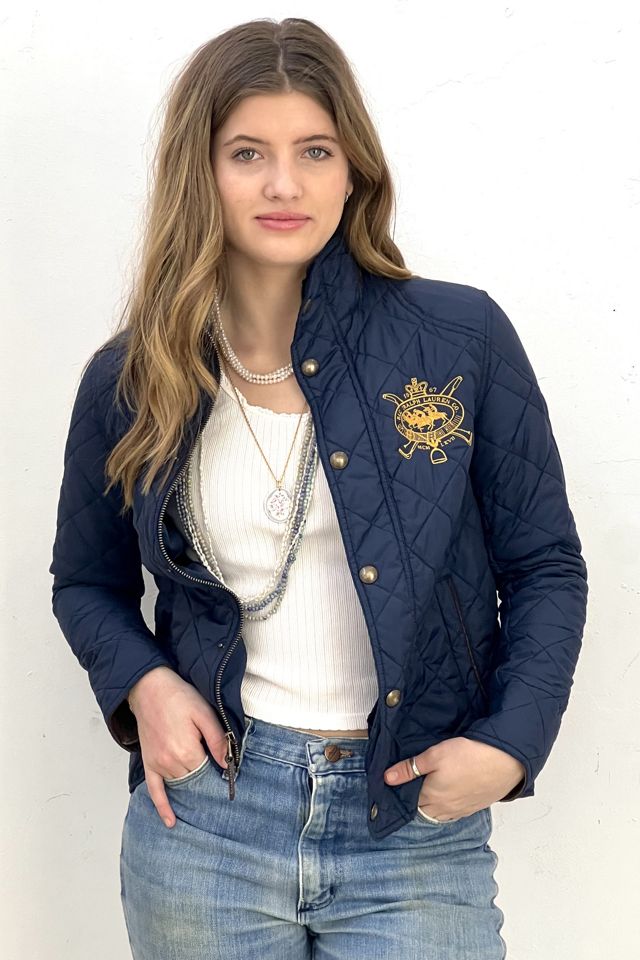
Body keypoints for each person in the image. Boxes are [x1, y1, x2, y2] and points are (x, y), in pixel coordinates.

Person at [49, 16, 588, 960]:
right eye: (247, 153)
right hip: (207, 824)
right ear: (199, 172)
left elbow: (545, 563)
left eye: (314, 150)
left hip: (411, 822)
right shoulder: (133, 378)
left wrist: (511, 742)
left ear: (353, 171)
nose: (284, 184)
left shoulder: (458, 340)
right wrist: (145, 683)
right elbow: (85, 582)